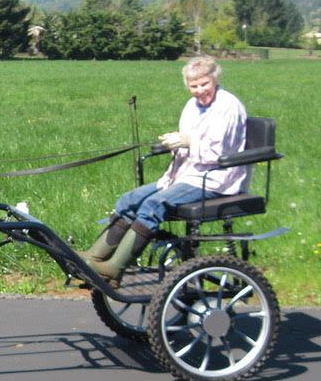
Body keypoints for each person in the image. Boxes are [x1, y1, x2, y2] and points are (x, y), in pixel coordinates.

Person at [81, 55, 248, 284]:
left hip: (215, 178)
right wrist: (174, 143)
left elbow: (217, 152)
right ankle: (94, 258)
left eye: (204, 84)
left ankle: (114, 268)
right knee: (129, 200)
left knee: (153, 204)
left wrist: (187, 142)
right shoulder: (192, 106)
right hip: (187, 174)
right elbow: (187, 141)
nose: (200, 91)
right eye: (194, 86)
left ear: (215, 80)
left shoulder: (227, 106)